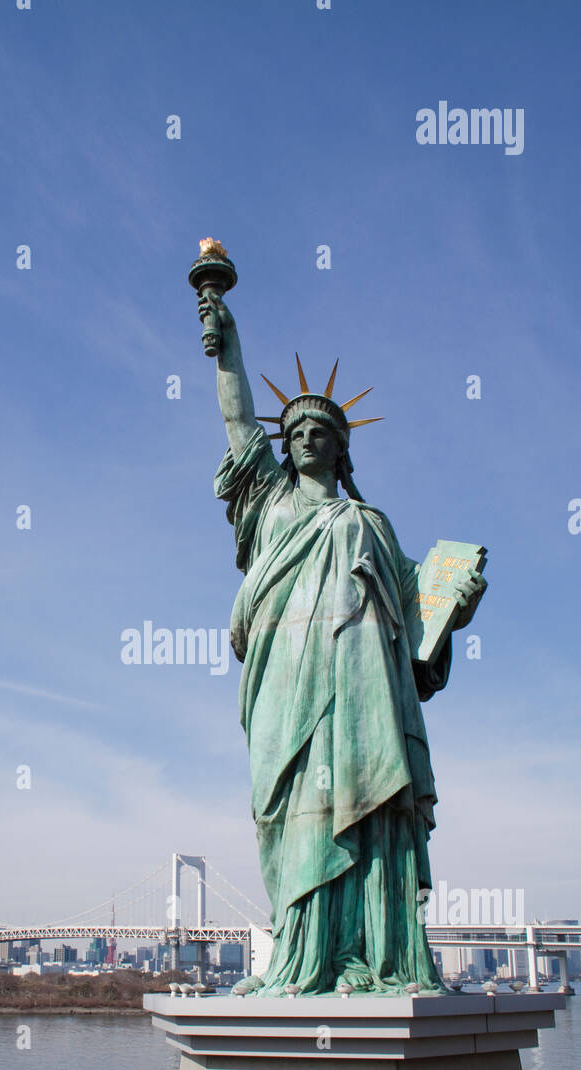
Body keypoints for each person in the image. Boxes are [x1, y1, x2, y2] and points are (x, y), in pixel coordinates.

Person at [199, 289, 486, 995]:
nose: (303, 440)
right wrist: (226, 338)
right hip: (284, 681)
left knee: (369, 803)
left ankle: (376, 957)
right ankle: (301, 956)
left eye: (318, 433)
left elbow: (420, 628)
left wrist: (462, 609)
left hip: (361, 693)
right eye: (293, 432)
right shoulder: (267, 503)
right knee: (292, 814)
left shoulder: (373, 525)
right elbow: (238, 421)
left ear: (340, 446)